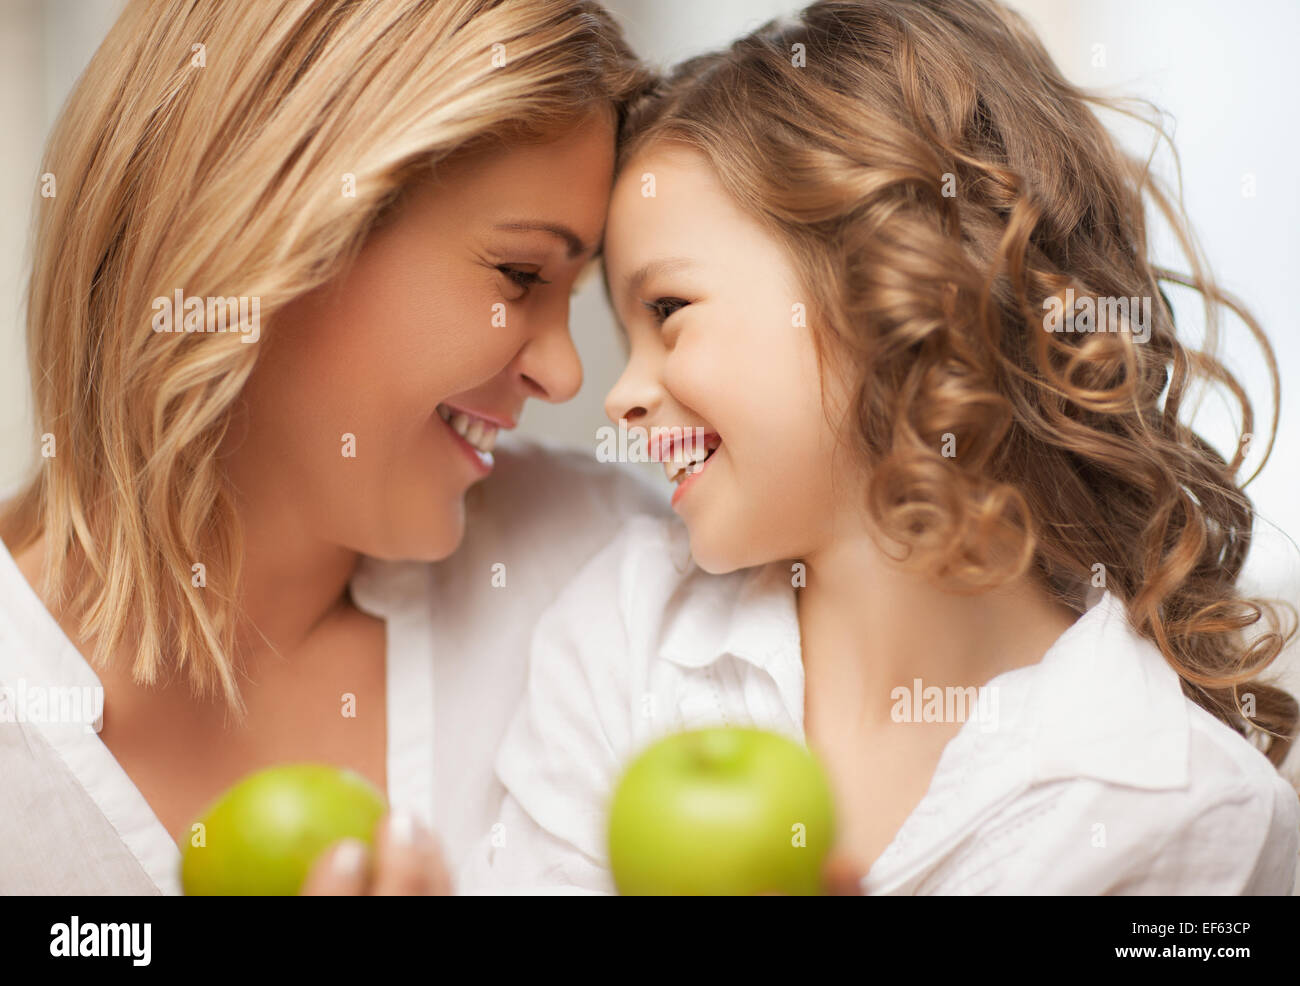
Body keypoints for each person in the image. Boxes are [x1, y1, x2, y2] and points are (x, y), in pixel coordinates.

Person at [466, 0, 1300, 894]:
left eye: (667, 312)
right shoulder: (625, 631)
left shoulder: (1190, 810)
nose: (621, 395)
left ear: (898, 290)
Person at [0, 0, 659, 895]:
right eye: (521, 275)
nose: (566, 373)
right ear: (270, 227)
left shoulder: (617, 582)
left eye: (575, 295)